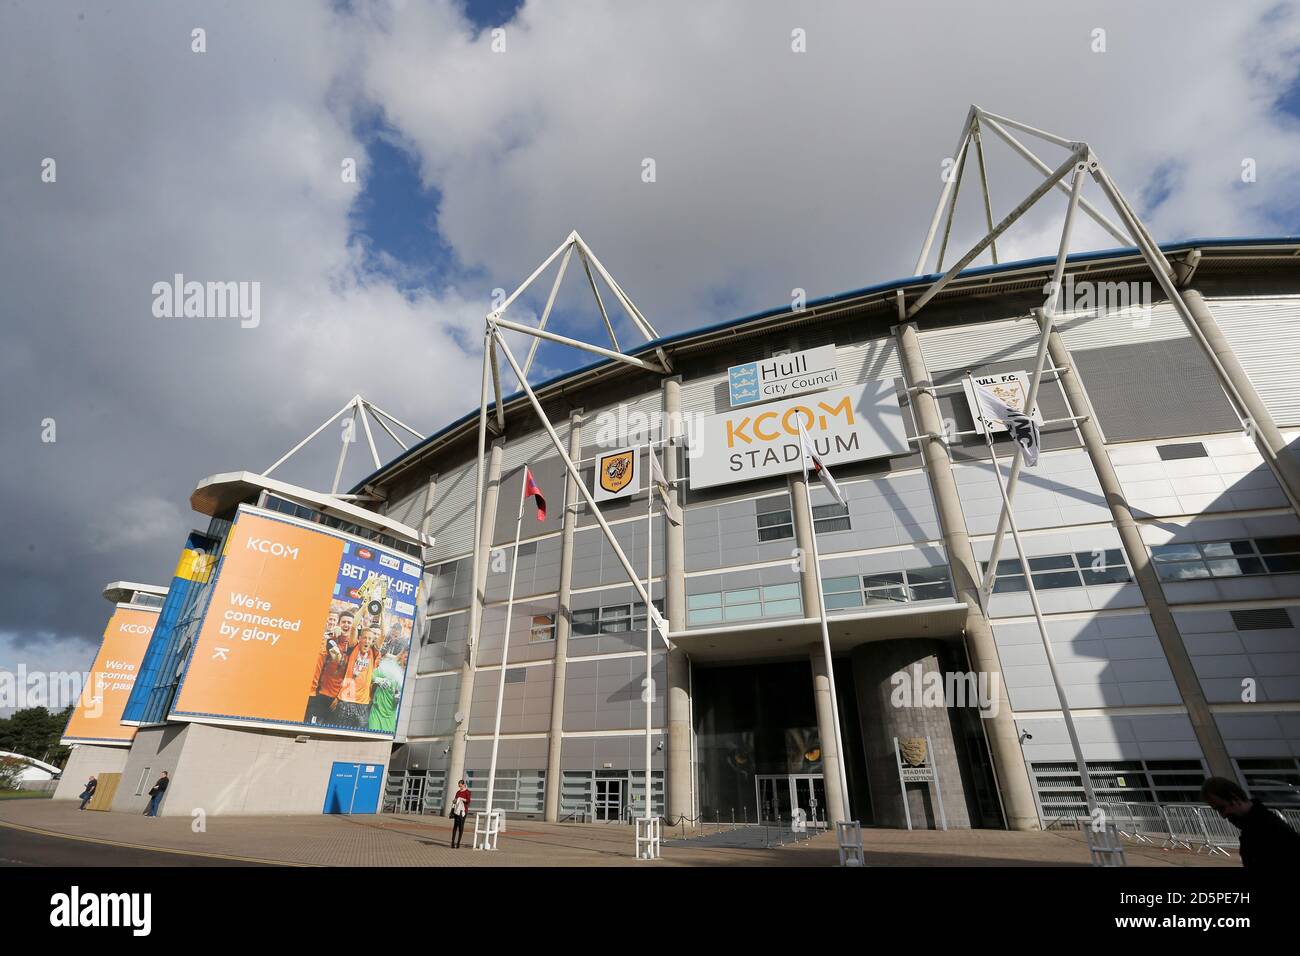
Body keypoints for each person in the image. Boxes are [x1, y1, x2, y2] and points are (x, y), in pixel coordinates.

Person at [1200, 776, 1300, 869]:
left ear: (1235, 798)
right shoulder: (1254, 828)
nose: (1223, 816)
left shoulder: (1268, 830)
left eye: (1221, 808)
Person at [306, 609, 356, 726]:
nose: (346, 625)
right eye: (343, 622)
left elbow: (349, 672)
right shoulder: (331, 639)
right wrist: (331, 636)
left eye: (349, 623)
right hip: (321, 693)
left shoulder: (354, 645)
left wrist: (340, 697)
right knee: (312, 726)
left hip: (337, 699)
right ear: (338, 624)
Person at [366, 639, 407, 735]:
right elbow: (369, 675)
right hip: (377, 712)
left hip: (391, 717)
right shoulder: (390, 667)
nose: (407, 660)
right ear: (401, 656)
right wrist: (378, 680)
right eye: (406, 657)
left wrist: (400, 698)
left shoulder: (410, 678)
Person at [449, 779, 471, 848]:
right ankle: (452, 842)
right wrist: (455, 800)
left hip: (463, 811)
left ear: (463, 785)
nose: (460, 787)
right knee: (455, 826)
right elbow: (455, 801)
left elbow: (468, 801)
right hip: (456, 811)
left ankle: (458, 843)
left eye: (461, 786)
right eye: (459, 786)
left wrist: (461, 799)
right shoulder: (458, 792)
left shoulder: (467, 792)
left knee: (461, 827)